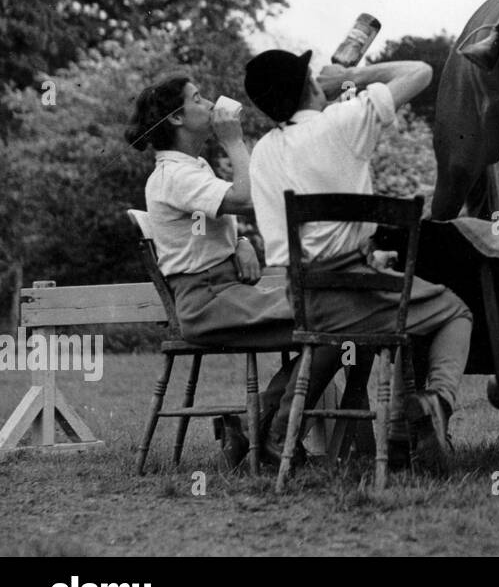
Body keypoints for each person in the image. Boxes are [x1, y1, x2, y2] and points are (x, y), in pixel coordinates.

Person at [244, 49, 473, 472]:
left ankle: (267, 431)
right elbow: (420, 71)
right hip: (352, 289)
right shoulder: (344, 121)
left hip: (303, 296)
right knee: (455, 311)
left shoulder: (261, 151)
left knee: (334, 339)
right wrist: (352, 76)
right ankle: (435, 402)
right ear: (311, 85)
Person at [124, 77, 296, 466]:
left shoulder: (191, 168)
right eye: (198, 98)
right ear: (177, 118)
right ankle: (263, 430)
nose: (209, 102)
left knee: (327, 317)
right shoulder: (174, 175)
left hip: (221, 293)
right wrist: (234, 141)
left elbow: (212, 217)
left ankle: (257, 427)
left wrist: (240, 243)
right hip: (207, 303)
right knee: (328, 321)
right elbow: (248, 199)